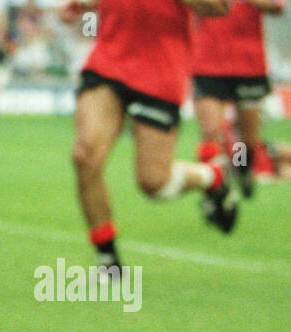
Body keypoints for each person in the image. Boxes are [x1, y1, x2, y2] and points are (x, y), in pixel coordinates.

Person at [61, 0, 239, 273]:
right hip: (109, 61)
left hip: (160, 71)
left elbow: (218, 7)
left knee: (153, 183)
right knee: (84, 156)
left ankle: (213, 176)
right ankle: (108, 262)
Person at [191, 0, 285, 199]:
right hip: (207, 63)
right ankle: (214, 191)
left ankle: (242, 168)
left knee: (247, 140)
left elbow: (277, 7)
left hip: (248, 66)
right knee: (211, 131)